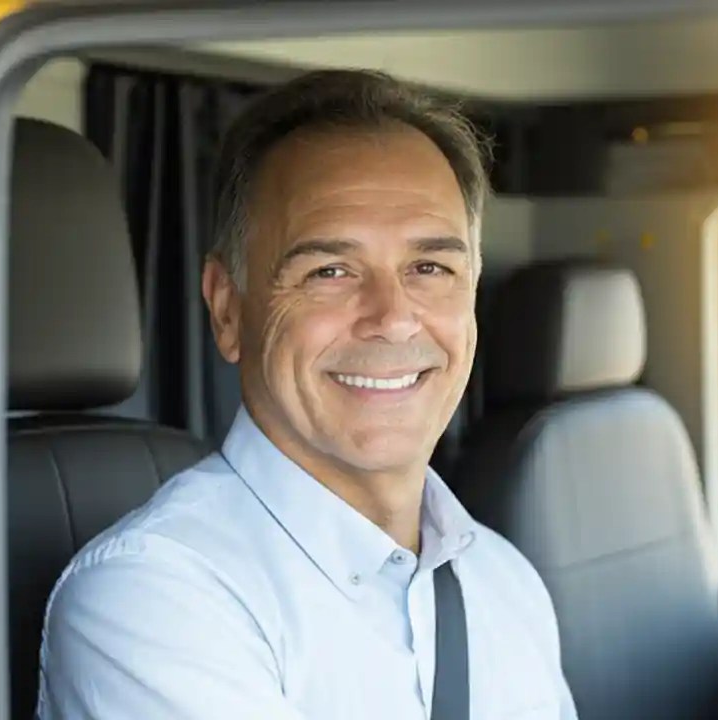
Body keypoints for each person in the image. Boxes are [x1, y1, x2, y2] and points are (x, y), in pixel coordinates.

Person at [36, 69, 578, 720]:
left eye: (430, 268)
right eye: (329, 271)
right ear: (229, 310)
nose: (394, 316)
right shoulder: (154, 594)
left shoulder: (503, 579)